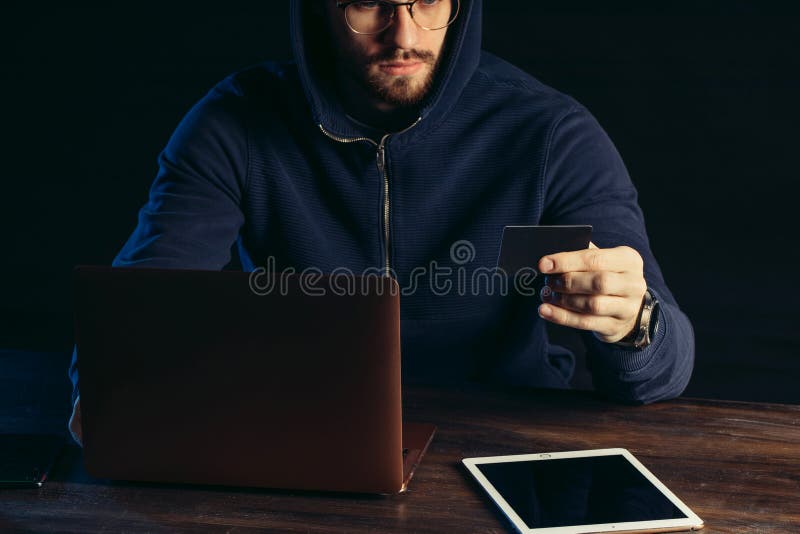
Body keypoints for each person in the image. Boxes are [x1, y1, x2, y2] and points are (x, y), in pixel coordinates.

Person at [69, 0, 694, 445]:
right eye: (369, 3)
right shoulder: (237, 123)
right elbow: (142, 302)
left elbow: (664, 367)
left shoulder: (549, 134)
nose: (404, 33)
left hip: (503, 441)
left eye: (428, 1)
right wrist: (107, 389)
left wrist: (634, 324)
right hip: (302, 439)